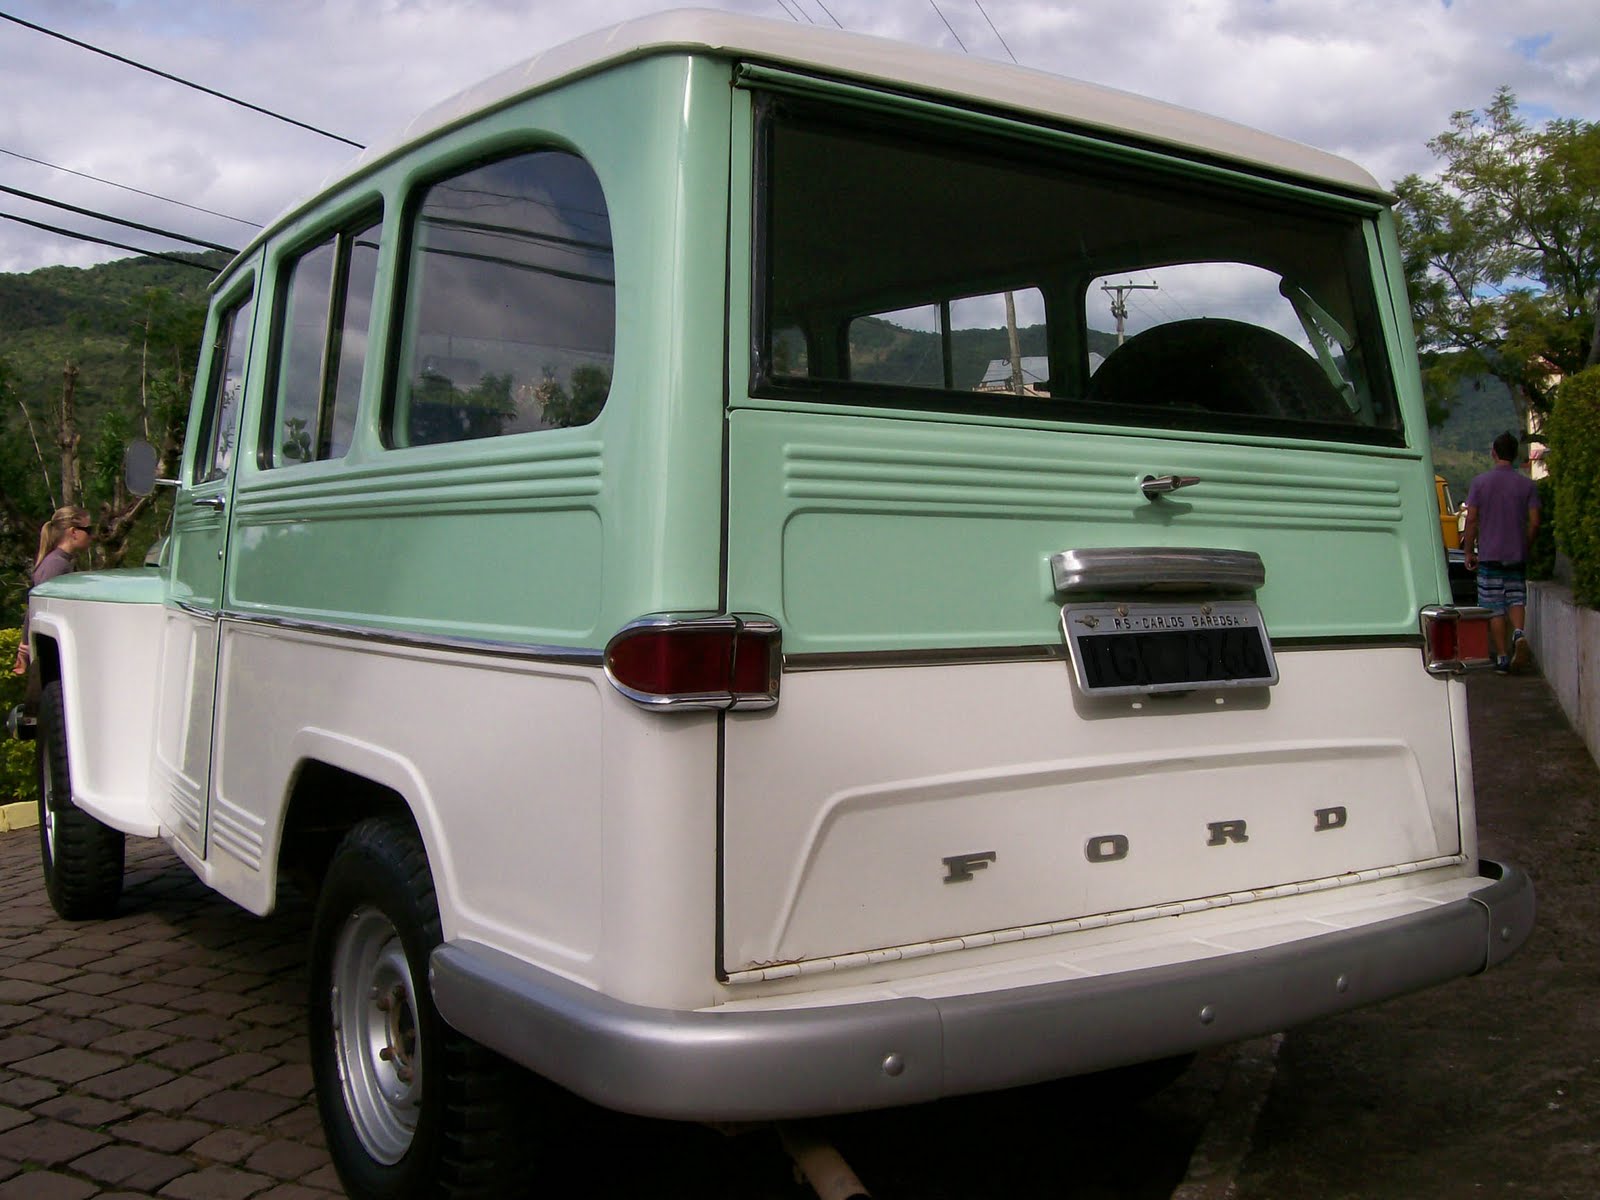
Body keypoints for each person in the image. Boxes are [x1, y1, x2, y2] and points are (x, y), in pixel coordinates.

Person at [1462, 432, 1540, 674]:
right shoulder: (1527, 485)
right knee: (1516, 598)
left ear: (1493, 453)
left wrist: (1468, 551)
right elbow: (1535, 522)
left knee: (1494, 606)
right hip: (1516, 554)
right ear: (1515, 455)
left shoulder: (1480, 483)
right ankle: (1518, 634)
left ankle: (1503, 657)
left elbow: (1471, 519)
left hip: (1489, 555)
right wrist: (1525, 545)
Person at [10, 506, 92, 676]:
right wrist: (25, 647)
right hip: (51, 657)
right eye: (88, 530)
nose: (92, 536)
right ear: (74, 532)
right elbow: (36, 607)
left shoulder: (63, 562)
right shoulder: (56, 565)